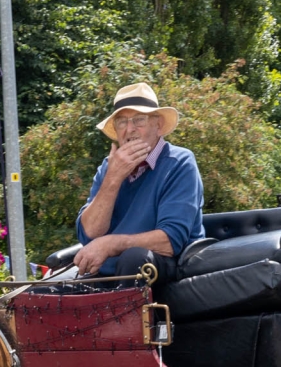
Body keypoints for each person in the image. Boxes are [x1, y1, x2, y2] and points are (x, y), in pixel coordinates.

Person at [73, 82, 203, 277]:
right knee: (44, 288)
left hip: (163, 269)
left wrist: (112, 244)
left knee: (134, 258)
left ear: (158, 126)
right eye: (122, 122)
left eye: (139, 120)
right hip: (107, 273)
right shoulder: (109, 168)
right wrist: (113, 178)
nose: (130, 129)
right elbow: (89, 234)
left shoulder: (180, 162)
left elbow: (171, 240)